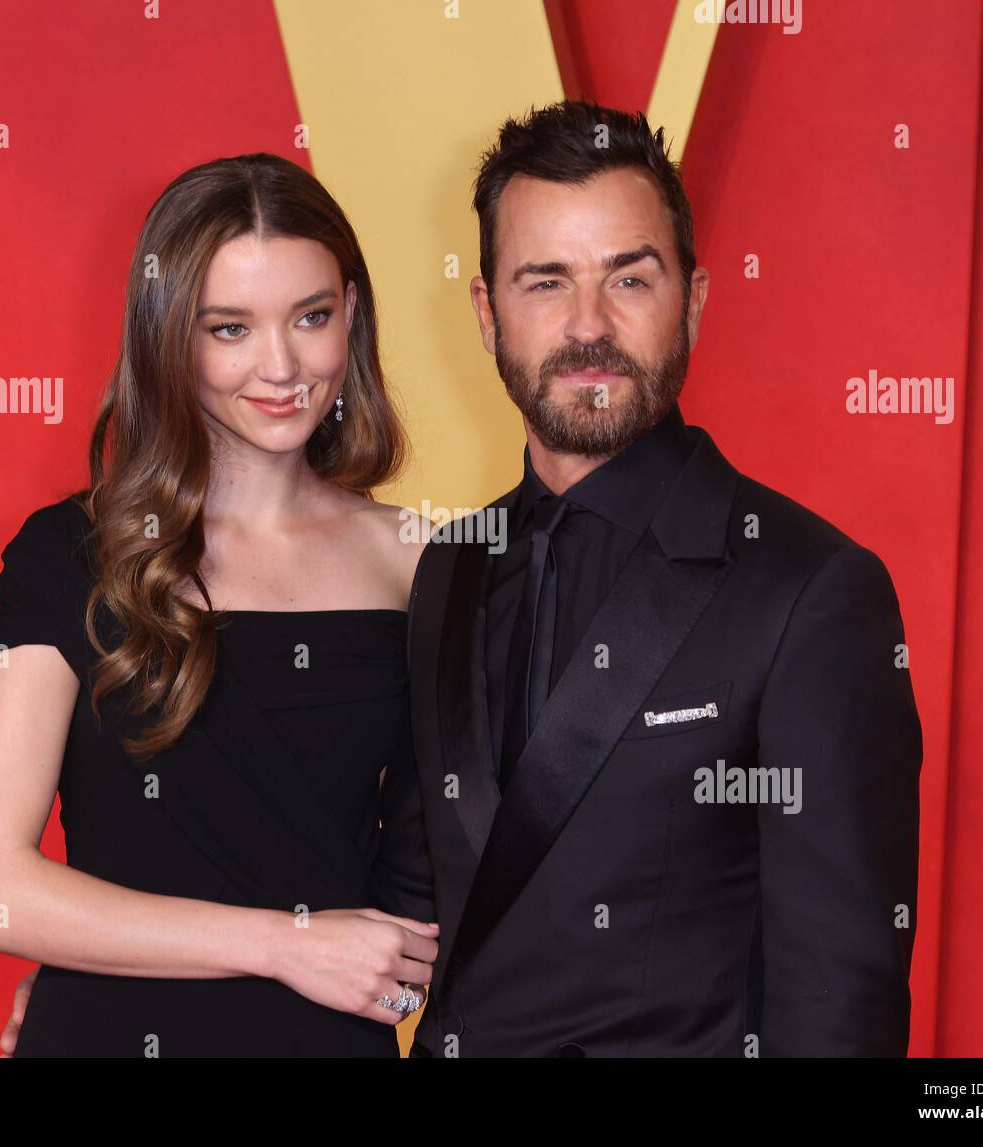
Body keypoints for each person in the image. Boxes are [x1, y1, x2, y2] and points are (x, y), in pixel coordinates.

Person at [373, 100, 924, 1057]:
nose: (589, 325)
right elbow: (399, 923)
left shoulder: (811, 592)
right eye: (545, 281)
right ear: (485, 310)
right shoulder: (449, 569)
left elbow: (839, 1001)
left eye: (630, 277)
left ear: (696, 300)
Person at [0, 153, 439, 1058]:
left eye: (311, 317)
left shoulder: (421, 562)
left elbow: (440, 868)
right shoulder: (70, 553)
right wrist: (283, 945)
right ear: (169, 336)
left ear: (352, 316)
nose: (281, 365)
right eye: (229, 328)